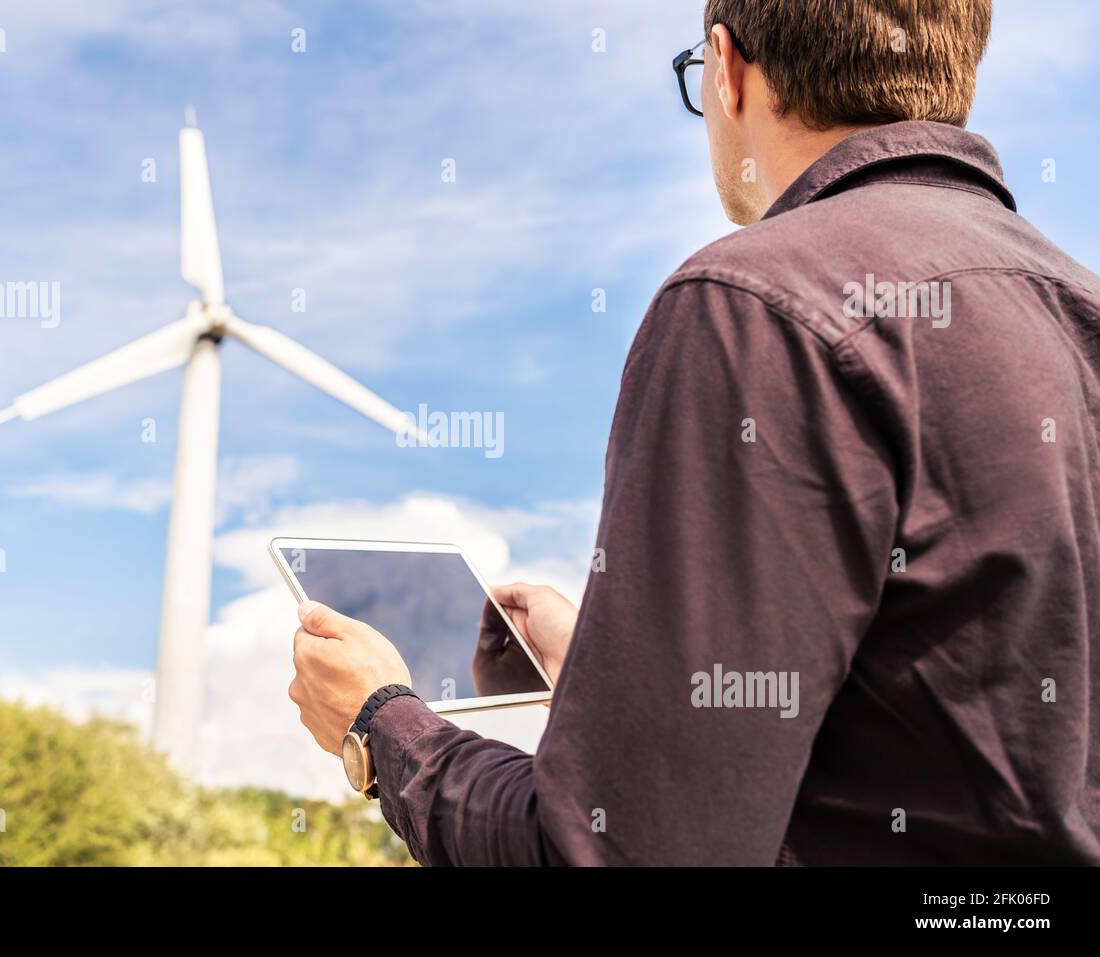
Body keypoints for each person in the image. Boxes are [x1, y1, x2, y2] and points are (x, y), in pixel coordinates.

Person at [287, 0, 1100, 865]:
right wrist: (618, 680)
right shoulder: (1078, 310)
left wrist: (383, 727)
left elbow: (617, 852)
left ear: (725, 67)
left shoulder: (753, 302)